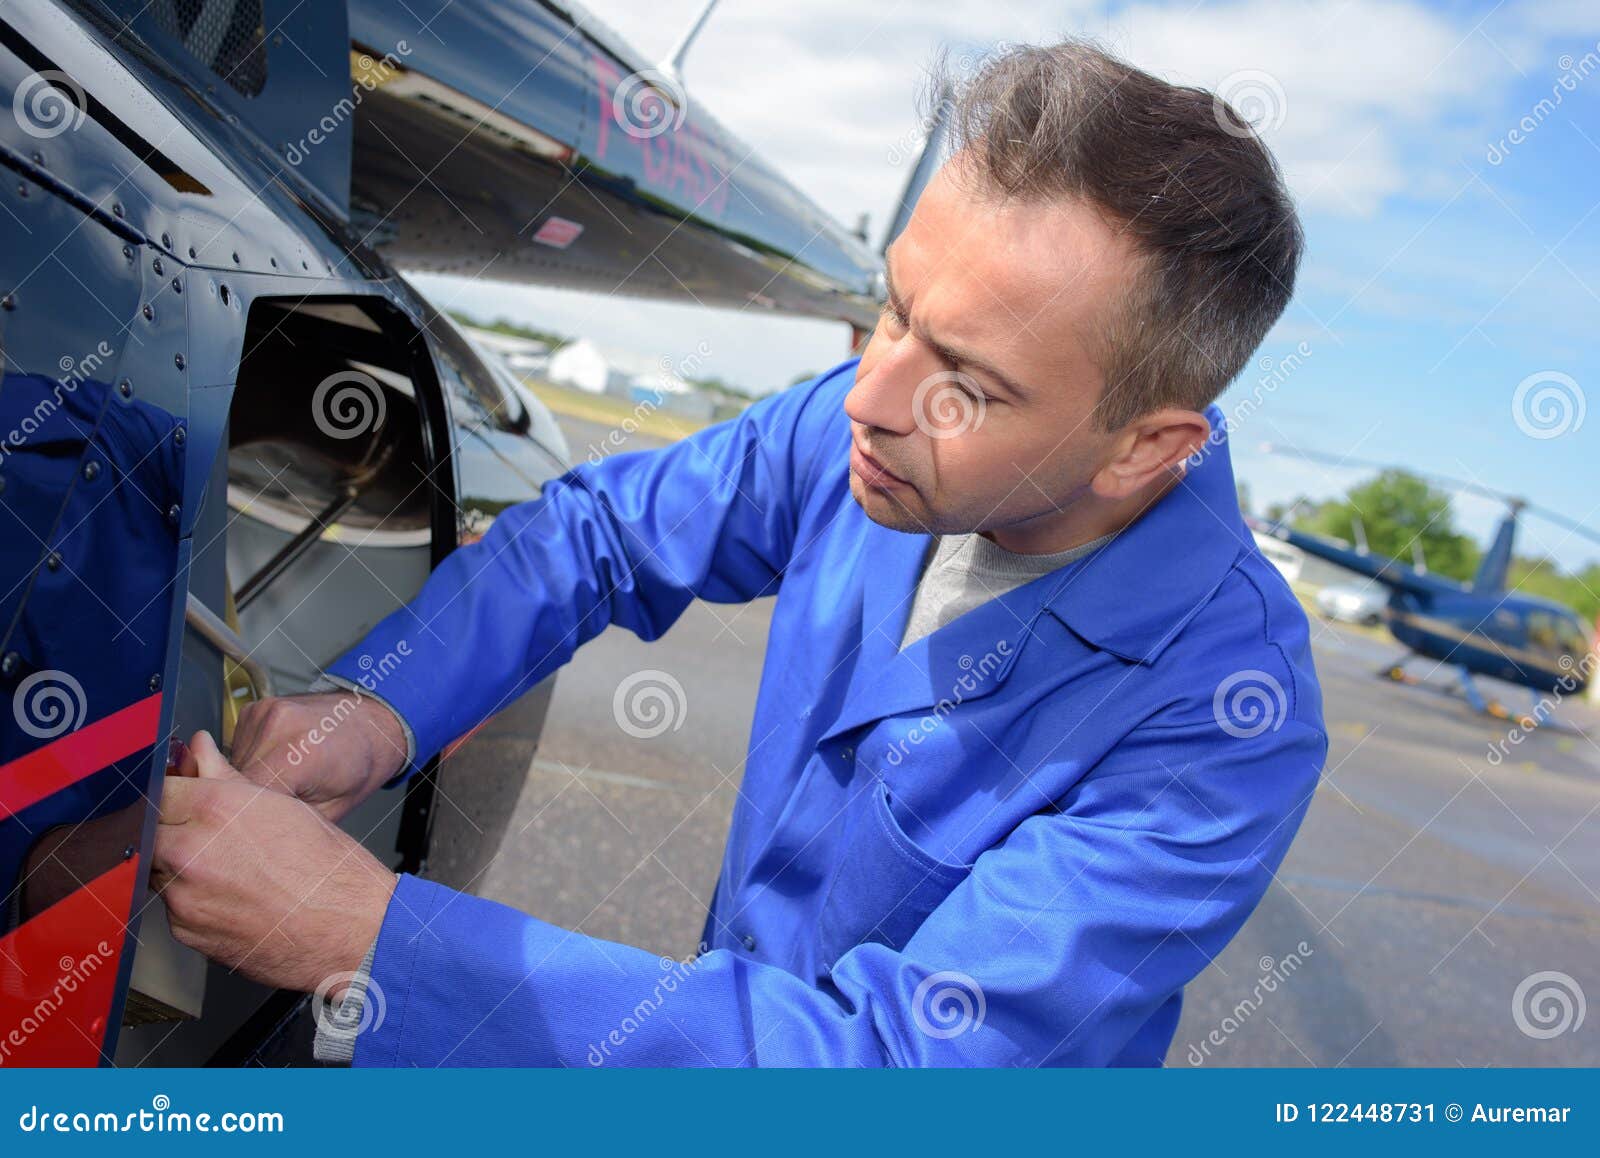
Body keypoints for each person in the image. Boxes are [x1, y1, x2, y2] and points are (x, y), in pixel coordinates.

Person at [152, 38, 1326, 1067]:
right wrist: (376, 705)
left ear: (1142, 449)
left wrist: (370, 937)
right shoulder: (860, 427)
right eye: (894, 308)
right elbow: (597, 537)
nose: (870, 394)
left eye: (968, 384)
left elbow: (903, 1070)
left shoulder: (1222, 719)